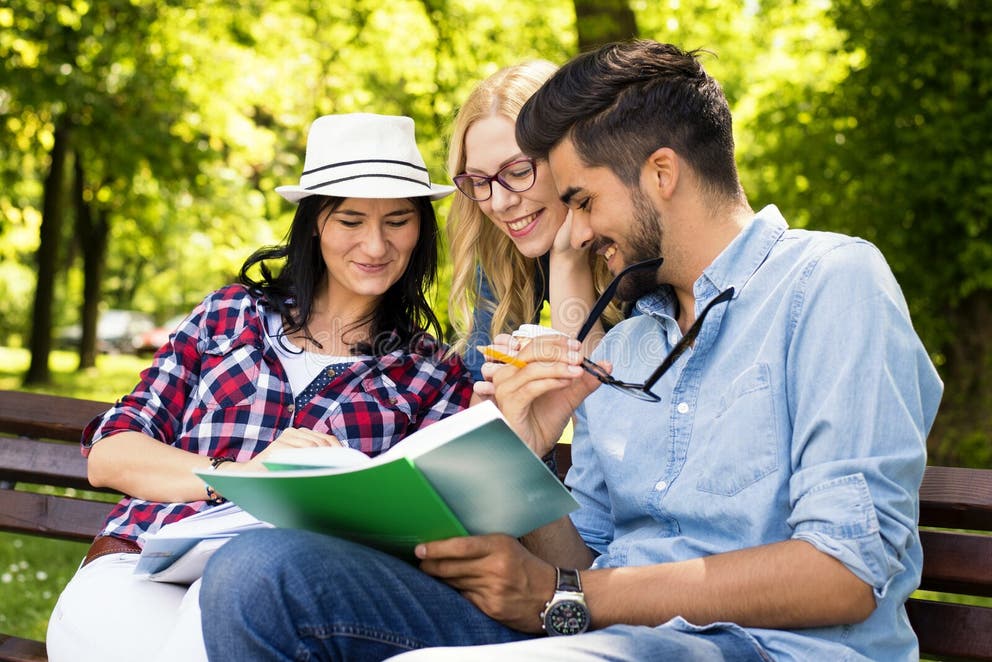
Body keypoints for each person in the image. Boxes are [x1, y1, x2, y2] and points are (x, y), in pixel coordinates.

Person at [199, 41, 943, 661]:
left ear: (660, 173)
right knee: (262, 574)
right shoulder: (633, 340)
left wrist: (565, 599)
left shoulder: (830, 283)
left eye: (582, 200)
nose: (577, 233)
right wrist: (520, 447)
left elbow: (846, 571)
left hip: (755, 646)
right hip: (595, 631)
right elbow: (581, 555)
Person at [45, 113, 474, 662]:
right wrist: (246, 478)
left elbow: (427, 527)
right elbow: (110, 455)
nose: (375, 243)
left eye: (398, 220)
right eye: (350, 220)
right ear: (314, 223)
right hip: (138, 565)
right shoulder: (229, 317)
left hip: (283, 594)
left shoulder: (431, 372)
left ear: (421, 230)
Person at [446, 60, 620, 381]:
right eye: (480, 181)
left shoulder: (634, 243)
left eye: (520, 172)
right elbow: (476, 386)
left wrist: (568, 260)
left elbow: (610, 413)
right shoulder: (502, 248)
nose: (499, 203)